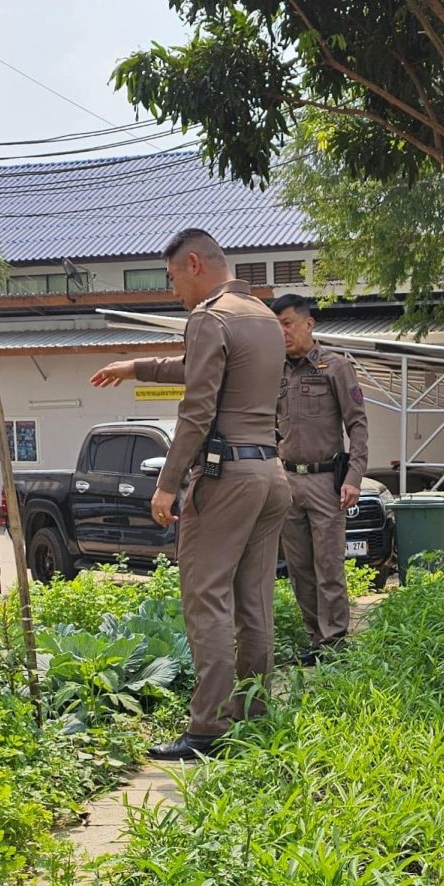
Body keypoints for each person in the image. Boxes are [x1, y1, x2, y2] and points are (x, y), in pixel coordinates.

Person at [91, 229, 290, 760]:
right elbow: (204, 371)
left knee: (205, 598)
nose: (175, 290)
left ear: (195, 264)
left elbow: (198, 406)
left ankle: (207, 730)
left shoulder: (208, 317)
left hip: (226, 479)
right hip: (270, 475)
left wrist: (167, 483)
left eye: (174, 277)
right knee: (255, 601)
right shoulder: (263, 317)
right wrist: (136, 366)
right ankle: (252, 714)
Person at [271, 294, 369, 664]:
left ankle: (335, 642)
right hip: (287, 483)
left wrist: (354, 477)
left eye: (287, 323)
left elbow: (357, 424)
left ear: (308, 324)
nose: (282, 332)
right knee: (299, 568)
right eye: (276, 325)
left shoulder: (334, 367)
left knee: (328, 566)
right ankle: (316, 640)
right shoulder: (275, 372)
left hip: (326, 481)